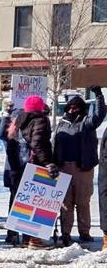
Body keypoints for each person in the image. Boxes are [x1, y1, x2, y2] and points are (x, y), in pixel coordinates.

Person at [54, 86, 105, 246]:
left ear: (82, 109)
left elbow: (99, 114)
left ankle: (85, 232)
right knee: (65, 203)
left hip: (83, 168)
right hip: (63, 168)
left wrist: (98, 95)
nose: (72, 109)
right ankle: (66, 233)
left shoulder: (87, 123)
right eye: (70, 107)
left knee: (83, 202)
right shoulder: (60, 124)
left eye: (76, 107)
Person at [16, 94, 56, 249]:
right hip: (38, 163)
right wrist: (48, 162)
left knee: (27, 202)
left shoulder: (20, 119)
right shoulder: (40, 120)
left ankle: (26, 238)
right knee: (38, 201)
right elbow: (38, 143)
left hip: (23, 164)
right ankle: (35, 239)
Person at [0, 104, 27, 244]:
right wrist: (6, 115)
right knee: (14, 202)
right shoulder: (10, 133)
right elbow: (0, 133)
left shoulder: (29, 129)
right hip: (13, 171)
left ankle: (26, 232)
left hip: (28, 169)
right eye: (17, 117)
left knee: (26, 203)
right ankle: (12, 232)